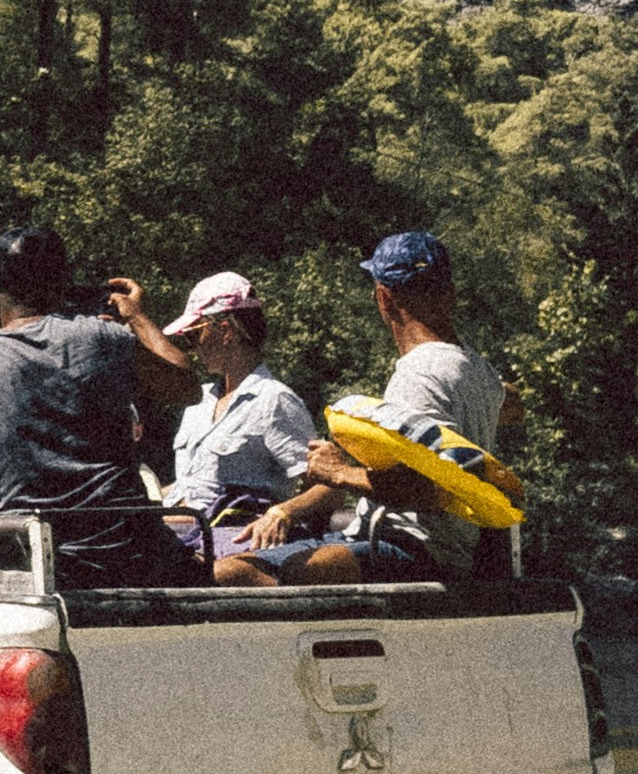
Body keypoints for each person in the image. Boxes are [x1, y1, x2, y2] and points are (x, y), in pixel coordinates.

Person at [218, 231, 511, 583]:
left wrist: (337, 472)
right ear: (448, 294)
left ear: (384, 298)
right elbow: (503, 410)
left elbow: (424, 488)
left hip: (412, 549)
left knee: (233, 572)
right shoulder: (479, 370)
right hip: (440, 546)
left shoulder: (419, 373)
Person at [0, 224, 194, 589]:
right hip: (136, 559)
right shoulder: (103, 338)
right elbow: (186, 387)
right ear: (60, 287)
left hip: (40, 569)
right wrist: (137, 317)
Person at [149, 270, 320, 579]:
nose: (192, 347)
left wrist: (284, 513)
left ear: (225, 330)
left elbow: (327, 486)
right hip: (178, 531)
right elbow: (195, 481)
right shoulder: (199, 401)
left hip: (227, 540)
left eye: (193, 334)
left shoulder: (274, 400)